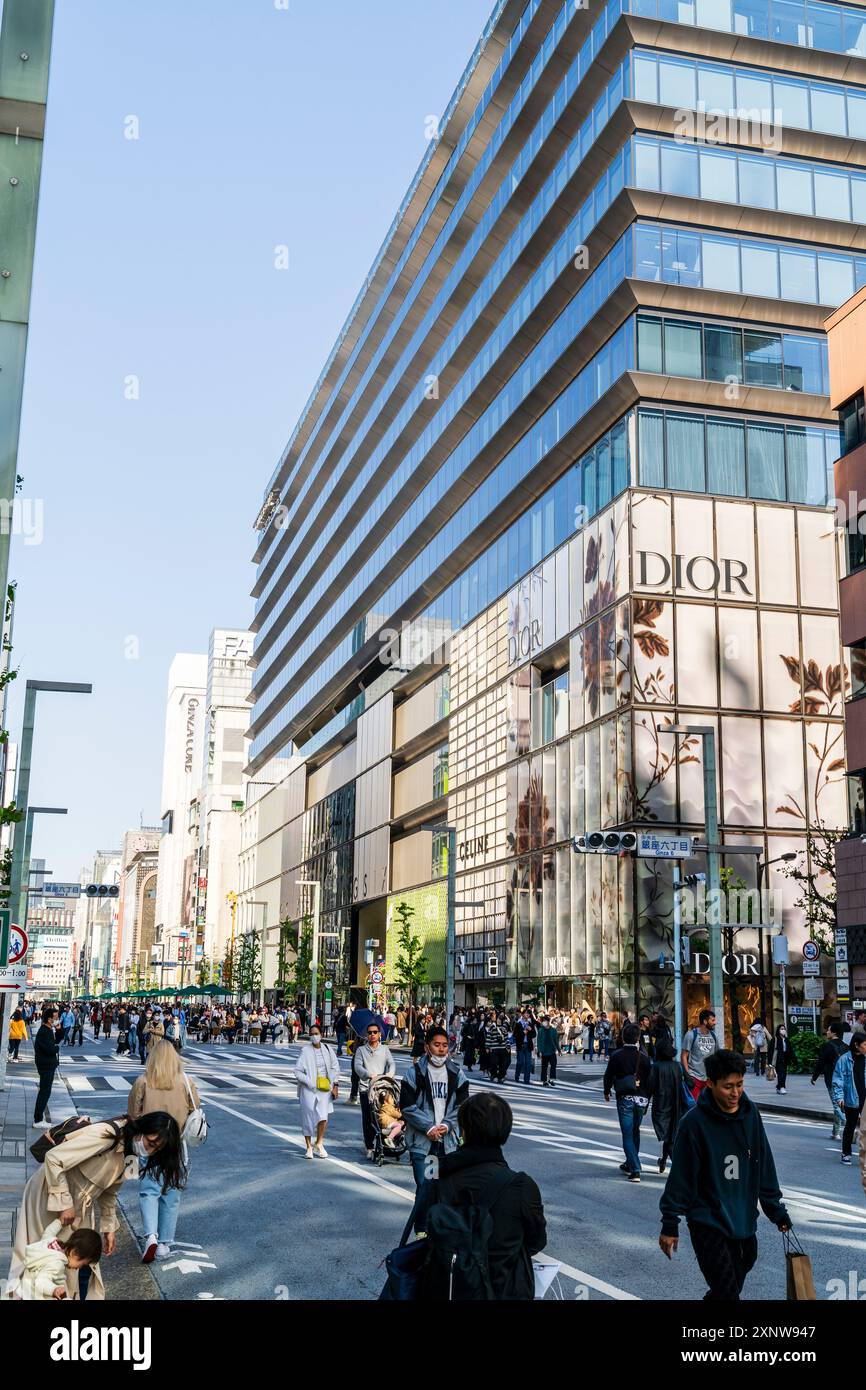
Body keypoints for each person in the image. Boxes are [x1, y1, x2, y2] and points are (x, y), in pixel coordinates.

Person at [7, 1110, 185, 1300]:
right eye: (150, 1143)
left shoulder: (133, 1153)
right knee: (44, 1259)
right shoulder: (105, 1135)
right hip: (49, 1195)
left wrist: (109, 1226)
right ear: (142, 1129)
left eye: (157, 1149)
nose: (150, 1151)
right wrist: (64, 1202)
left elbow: (112, 1188)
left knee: (84, 1262)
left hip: (80, 1204)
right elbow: (54, 1158)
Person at [659, 1049, 791, 1300]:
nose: (735, 1093)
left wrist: (776, 1211)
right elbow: (682, 1177)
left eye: (739, 1085)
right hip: (707, 1220)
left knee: (738, 1271)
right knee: (728, 1293)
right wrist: (670, 1223)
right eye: (728, 1086)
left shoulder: (751, 1115)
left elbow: (764, 1165)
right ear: (710, 1084)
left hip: (743, 1218)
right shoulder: (694, 1123)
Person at [412, 1092, 547, 1301]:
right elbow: (536, 1242)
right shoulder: (521, 1186)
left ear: (463, 1130)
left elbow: (425, 1228)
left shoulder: (437, 1173)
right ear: (505, 1131)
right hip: (505, 1290)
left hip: (447, 1288)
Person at [128, 1040, 202, 1261]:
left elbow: (132, 1113)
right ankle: (164, 1243)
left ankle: (150, 1234)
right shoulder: (186, 1082)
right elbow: (195, 1109)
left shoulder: (143, 1081)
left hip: (150, 1142)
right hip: (176, 1142)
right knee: (172, 1192)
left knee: (149, 1190)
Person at [400, 1026, 469, 1189]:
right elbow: (407, 1106)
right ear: (427, 1047)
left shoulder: (456, 1074)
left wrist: (447, 1124)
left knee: (446, 1191)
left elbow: (463, 1105)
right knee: (426, 1190)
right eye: (436, 1045)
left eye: (445, 1045)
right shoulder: (415, 1073)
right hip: (424, 1143)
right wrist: (429, 1127)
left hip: (448, 1144)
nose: (441, 1049)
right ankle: (422, 1215)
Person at [603, 1022, 652, 1181]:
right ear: (638, 1038)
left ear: (623, 1037)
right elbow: (650, 1081)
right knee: (635, 1131)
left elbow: (608, 1075)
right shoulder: (644, 1057)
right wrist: (648, 1101)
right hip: (642, 1098)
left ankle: (635, 1169)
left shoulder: (617, 1055)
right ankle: (630, 1162)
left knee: (627, 1133)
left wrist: (607, 1090)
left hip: (625, 1098)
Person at [17, 1220, 102, 1301]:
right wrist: (53, 1289)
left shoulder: (51, 1243)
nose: (79, 1268)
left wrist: (59, 1222)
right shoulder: (57, 1264)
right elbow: (41, 1281)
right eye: (82, 1264)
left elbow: (48, 1232)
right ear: (74, 1253)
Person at [293, 1022, 340, 1158]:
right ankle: (308, 1146)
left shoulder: (327, 1049)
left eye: (316, 1034)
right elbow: (297, 1071)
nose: (314, 1036)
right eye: (312, 1034)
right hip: (309, 1089)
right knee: (308, 1116)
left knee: (323, 1116)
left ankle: (319, 1142)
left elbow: (335, 1068)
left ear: (321, 1034)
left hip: (325, 1087)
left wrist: (335, 1085)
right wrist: (309, 1082)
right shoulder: (305, 1051)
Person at [646, 1037, 689, 1173]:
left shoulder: (656, 1067)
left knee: (668, 1138)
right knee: (671, 1136)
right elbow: (691, 1082)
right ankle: (664, 1160)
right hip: (677, 1105)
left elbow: (649, 1088)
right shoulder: (678, 1066)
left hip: (661, 1106)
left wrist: (645, 1105)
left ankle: (678, 1168)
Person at [355, 1020, 396, 1159]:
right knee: (368, 1118)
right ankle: (369, 1146)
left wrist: (389, 1075)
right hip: (366, 1088)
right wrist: (368, 1075)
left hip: (382, 1089)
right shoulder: (361, 1050)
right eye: (370, 1033)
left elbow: (391, 1064)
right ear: (367, 1035)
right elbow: (358, 1067)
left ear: (379, 1035)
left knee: (381, 1117)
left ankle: (385, 1142)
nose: (372, 1035)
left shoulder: (385, 1049)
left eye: (375, 1032)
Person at [831, 1031, 866, 1166]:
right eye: (865, 1044)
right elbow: (837, 1080)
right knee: (850, 1127)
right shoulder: (844, 1059)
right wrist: (839, 1098)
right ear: (856, 1045)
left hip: (864, 1099)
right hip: (851, 1099)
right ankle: (846, 1153)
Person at [811, 1019, 846, 1140]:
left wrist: (814, 1077)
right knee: (839, 1104)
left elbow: (821, 1063)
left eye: (829, 1030)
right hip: (845, 1081)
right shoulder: (846, 1046)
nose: (827, 1032)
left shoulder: (827, 1046)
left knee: (836, 1105)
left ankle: (848, 1125)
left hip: (832, 1080)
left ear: (834, 1032)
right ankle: (835, 1132)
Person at [681, 1009, 718, 1101]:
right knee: (695, 1106)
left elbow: (716, 1056)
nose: (715, 1023)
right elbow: (684, 1055)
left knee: (708, 1106)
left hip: (708, 1078)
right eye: (712, 1020)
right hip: (694, 1077)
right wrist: (688, 1074)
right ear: (705, 1021)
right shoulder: (691, 1035)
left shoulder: (713, 1036)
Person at [33, 1006, 61, 1128]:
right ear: (49, 1019)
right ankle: (38, 1120)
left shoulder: (49, 1029)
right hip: (46, 1065)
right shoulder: (44, 1031)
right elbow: (50, 1049)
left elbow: (58, 1040)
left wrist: (59, 1030)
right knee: (44, 1092)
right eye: (55, 1017)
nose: (57, 1019)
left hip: (48, 1064)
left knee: (45, 1091)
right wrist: (56, 1048)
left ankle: (39, 1117)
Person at [483, 1012, 510, 1084]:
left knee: (503, 1064)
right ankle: (493, 1074)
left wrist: (508, 1046)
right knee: (494, 1063)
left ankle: (500, 1077)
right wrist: (487, 1047)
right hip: (494, 1048)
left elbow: (506, 1038)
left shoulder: (504, 1028)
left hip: (502, 1048)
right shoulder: (492, 1026)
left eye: (500, 1019)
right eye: (498, 1019)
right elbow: (489, 1037)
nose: (499, 1020)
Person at [769, 1023, 793, 1095]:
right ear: (778, 1030)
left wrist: (793, 1060)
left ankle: (779, 1087)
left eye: (784, 1029)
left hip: (785, 1059)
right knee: (780, 1073)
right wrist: (770, 1062)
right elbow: (770, 1050)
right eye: (782, 1029)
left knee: (784, 1073)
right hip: (778, 1059)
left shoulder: (786, 1040)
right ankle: (782, 1087)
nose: (783, 1030)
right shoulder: (775, 1039)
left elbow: (790, 1050)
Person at [536, 1015, 559, 1087]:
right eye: (543, 1021)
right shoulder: (540, 1030)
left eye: (545, 1021)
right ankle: (544, 1080)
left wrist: (559, 1049)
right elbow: (539, 1041)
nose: (544, 1022)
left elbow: (556, 1041)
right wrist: (539, 1051)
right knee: (544, 1066)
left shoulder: (553, 1030)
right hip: (544, 1051)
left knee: (553, 1065)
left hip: (552, 1050)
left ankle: (551, 1079)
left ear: (548, 1022)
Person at [513, 1012, 536, 1085]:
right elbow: (515, 1035)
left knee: (528, 1063)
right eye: (526, 1014)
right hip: (521, 1045)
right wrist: (523, 1032)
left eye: (528, 1014)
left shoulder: (530, 1024)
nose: (527, 1015)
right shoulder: (518, 1024)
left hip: (528, 1045)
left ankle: (527, 1079)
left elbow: (534, 1035)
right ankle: (517, 1075)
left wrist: (531, 1030)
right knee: (520, 1062)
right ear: (522, 1015)